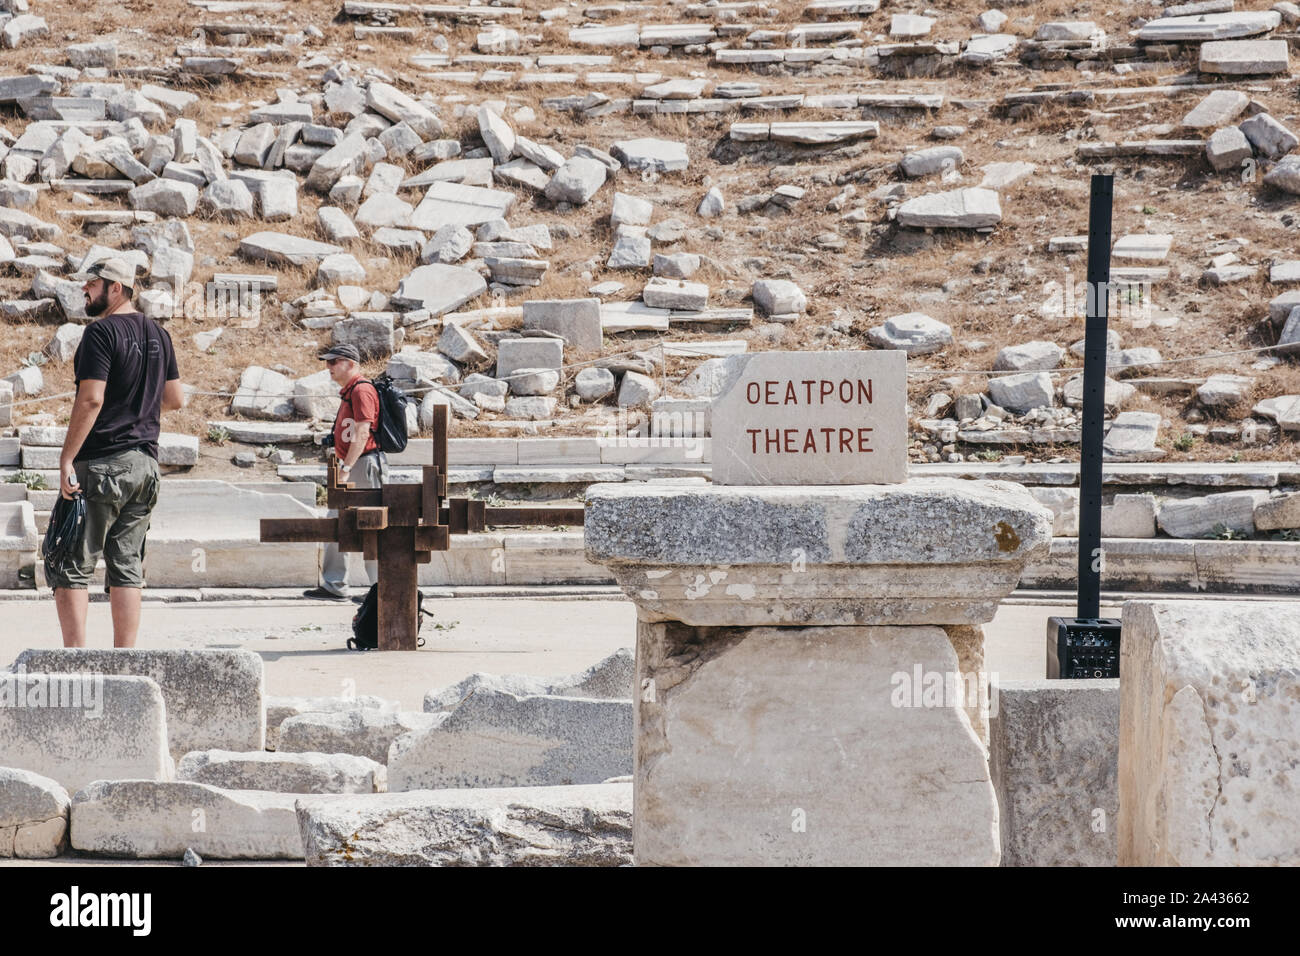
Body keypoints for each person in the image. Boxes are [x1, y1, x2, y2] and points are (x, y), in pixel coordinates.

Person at [53, 258, 185, 648]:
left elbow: (91, 399)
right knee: (126, 566)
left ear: (116, 288)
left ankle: (74, 663)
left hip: (102, 463)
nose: (84, 290)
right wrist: (136, 402)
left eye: (92, 284)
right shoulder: (159, 335)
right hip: (145, 466)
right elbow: (175, 399)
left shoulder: (100, 333)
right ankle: (125, 660)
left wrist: (65, 460)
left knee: (71, 562)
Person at [304, 344, 388, 602]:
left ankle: (379, 589)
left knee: (372, 526)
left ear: (351, 363)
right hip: (353, 464)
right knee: (336, 522)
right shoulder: (350, 392)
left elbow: (363, 432)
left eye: (334, 362)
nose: (328, 367)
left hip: (362, 465)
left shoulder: (362, 390)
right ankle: (334, 584)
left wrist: (346, 468)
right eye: (327, 362)